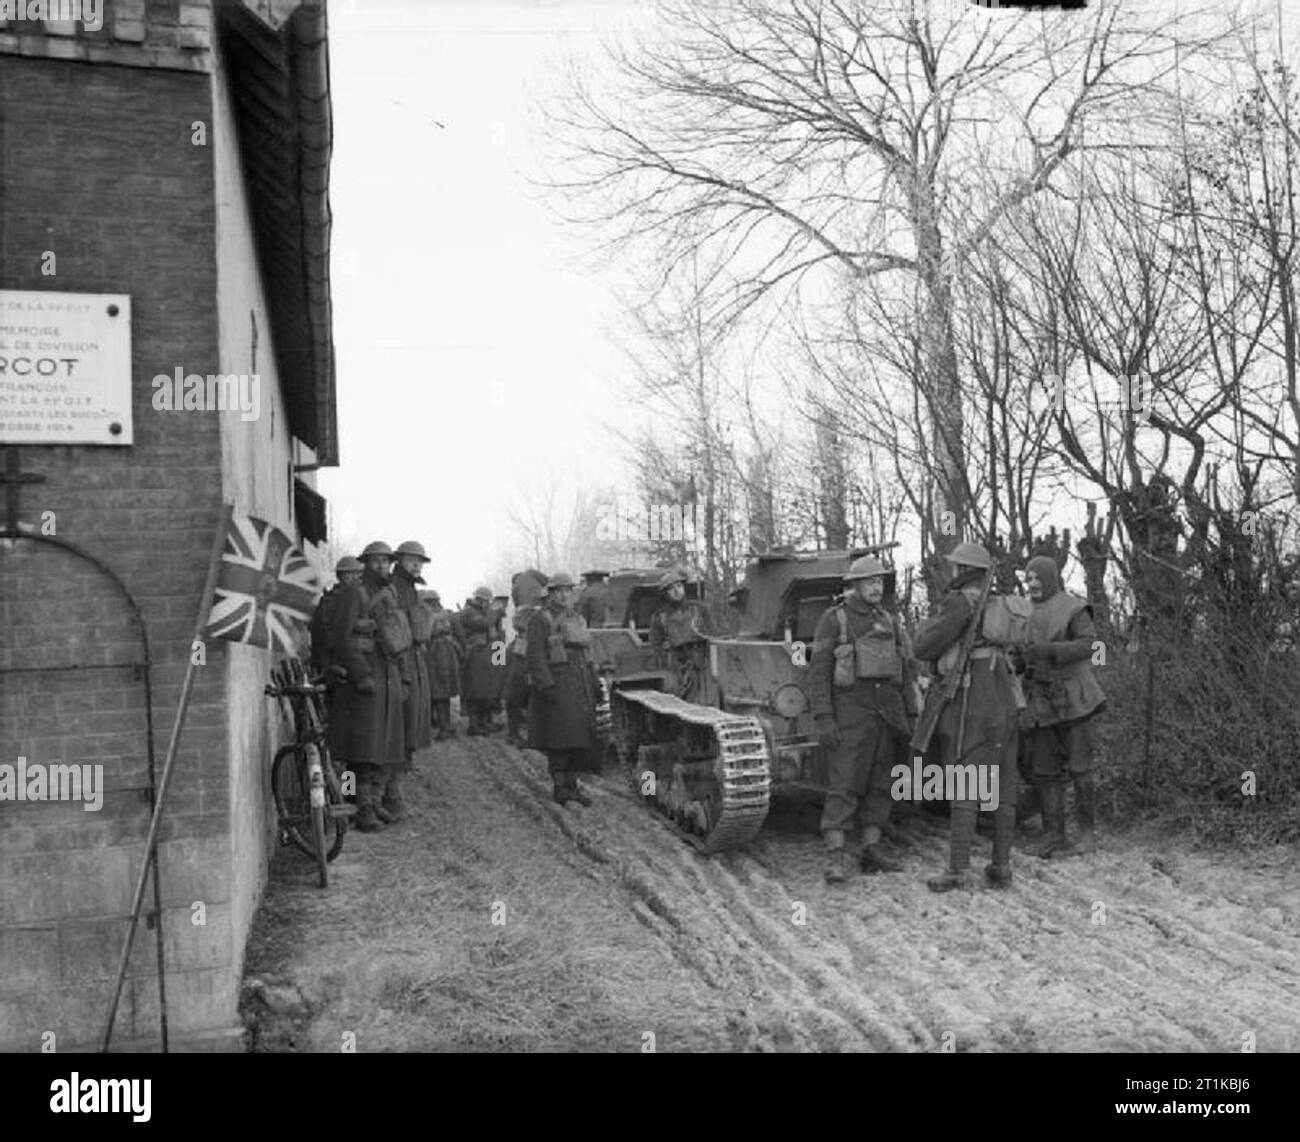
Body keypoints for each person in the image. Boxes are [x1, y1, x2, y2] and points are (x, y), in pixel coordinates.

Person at [912, 541, 1026, 891]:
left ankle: (959, 870)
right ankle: (1001, 867)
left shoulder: (961, 602)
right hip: (1006, 697)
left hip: (973, 700)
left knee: (965, 781)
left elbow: (923, 647)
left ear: (962, 571)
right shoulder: (998, 605)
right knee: (1005, 784)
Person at [810, 556, 917, 883]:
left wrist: (911, 712)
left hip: (886, 715)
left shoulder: (888, 619)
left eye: (879, 582)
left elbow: (906, 669)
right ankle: (836, 856)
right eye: (870, 581)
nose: (876, 587)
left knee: (880, 783)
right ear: (855, 585)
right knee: (844, 784)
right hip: (850, 714)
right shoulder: (834, 620)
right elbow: (819, 673)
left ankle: (871, 850)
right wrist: (825, 717)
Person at [1018, 554, 1107, 858]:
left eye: (1037, 578)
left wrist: (1049, 650)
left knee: (1081, 768)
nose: (1032, 585)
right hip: (1040, 699)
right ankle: (1054, 835)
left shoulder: (1073, 607)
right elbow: (1018, 654)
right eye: (1028, 579)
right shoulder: (1021, 610)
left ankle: (1086, 835)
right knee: (1045, 770)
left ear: (1050, 578)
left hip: (1075, 697)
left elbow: (1090, 646)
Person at [328, 541, 410, 832]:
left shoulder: (389, 594)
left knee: (381, 747)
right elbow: (341, 637)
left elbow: (397, 637)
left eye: (386, 562)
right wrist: (361, 674)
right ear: (366, 564)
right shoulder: (355, 592)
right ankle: (358, 806)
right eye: (375, 562)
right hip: (362, 680)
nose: (382, 567)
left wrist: (403, 678)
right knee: (359, 750)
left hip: (386, 674)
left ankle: (373, 802)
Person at [526, 572, 602, 806]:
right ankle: (560, 786)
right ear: (550, 593)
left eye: (567, 590)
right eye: (558, 590)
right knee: (560, 740)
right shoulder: (540, 619)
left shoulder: (577, 618)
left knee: (580, 739)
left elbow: (588, 652)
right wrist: (546, 684)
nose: (563, 595)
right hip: (558, 685)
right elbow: (536, 655)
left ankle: (573, 785)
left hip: (580, 683)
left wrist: (595, 680)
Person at [390, 541, 435, 778]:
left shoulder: (410, 589)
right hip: (402, 654)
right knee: (405, 708)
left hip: (415, 654)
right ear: (399, 561)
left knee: (415, 707)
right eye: (411, 560)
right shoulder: (395, 587)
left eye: (420, 561)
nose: (417, 565)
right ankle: (399, 762)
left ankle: (406, 758)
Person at [648, 569, 711, 701]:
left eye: (679, 586)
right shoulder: (660, 616)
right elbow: (656, 646)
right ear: (665, 594)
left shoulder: (699, 609)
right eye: (671, 589)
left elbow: (712, 633)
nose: (676, 591)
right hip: (676, 663)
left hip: (701, 659)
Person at [309, 555, 362, 679]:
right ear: (340, 576)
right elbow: (320, 633)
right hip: (334, 658)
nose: (355, 577)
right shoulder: (331, 600)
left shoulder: (359, 598)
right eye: (350, 573)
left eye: (357, 573)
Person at [459, 586, 502, 735]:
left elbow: (496, 634)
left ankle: (484, 722)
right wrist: (494, 612)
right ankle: (474, 725)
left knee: (486, 688)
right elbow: (484, 623)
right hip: (474, 653)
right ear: (480, 600)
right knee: (475, 690)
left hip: (488, 651)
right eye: (487, 601)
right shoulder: (469, 612)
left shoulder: (485, 613)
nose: (489, 604)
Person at [424, 590, 462, 740]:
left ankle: (445, 727)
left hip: (440, 654)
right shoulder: (437, 615)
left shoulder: (435, 616)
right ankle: (445, 727)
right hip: (441, 653)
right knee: (441, 693)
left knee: (441, 693)